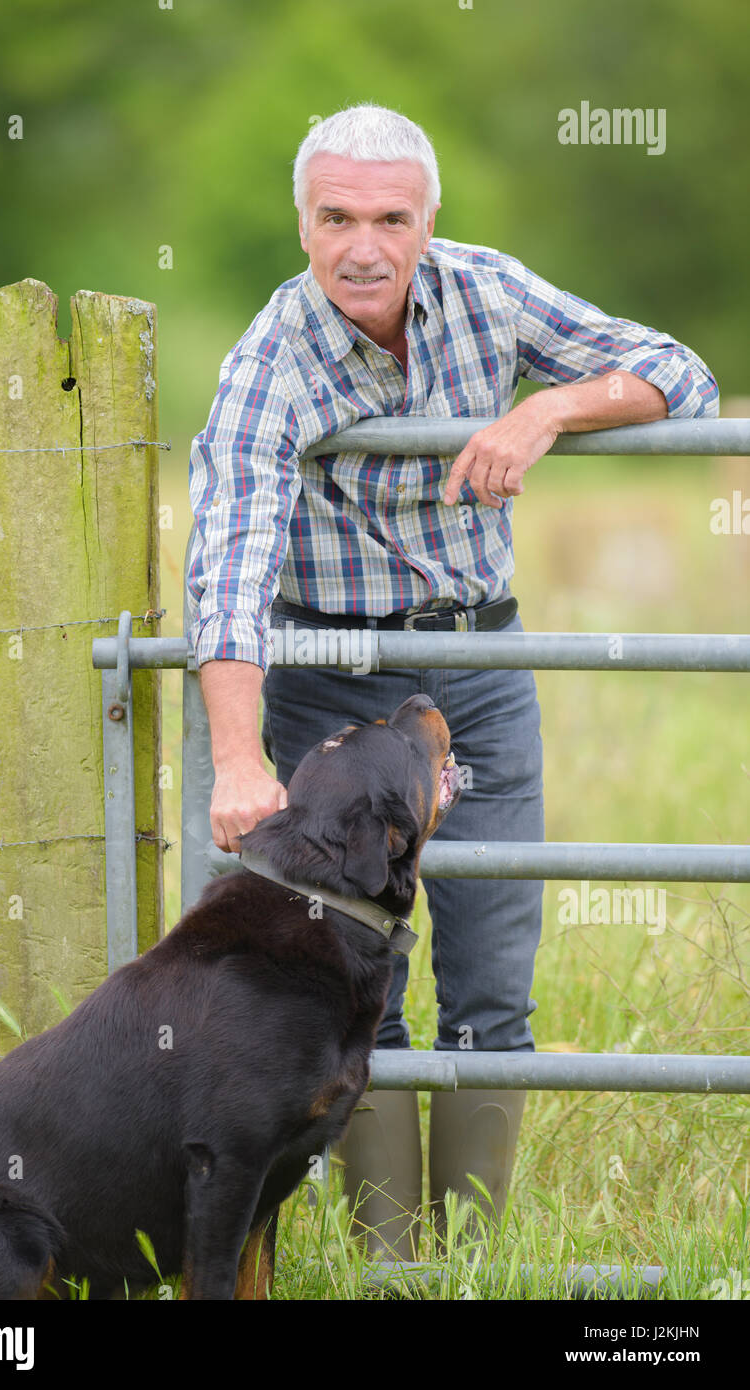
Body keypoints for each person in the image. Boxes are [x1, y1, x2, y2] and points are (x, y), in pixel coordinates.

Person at [186, 104, 719, 1263]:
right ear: (303, 223)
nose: (363, 245)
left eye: (390, 217)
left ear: (430, 221)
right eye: (337, 218)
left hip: (476, 673)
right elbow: (228, 571)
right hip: (333, 690)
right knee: (348, 975)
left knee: (492, 969)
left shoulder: (490, 293)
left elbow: (684, 374)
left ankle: (475, 1265)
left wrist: (548, 407)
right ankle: (391, 1270)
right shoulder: (267, 362)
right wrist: (236, 757)